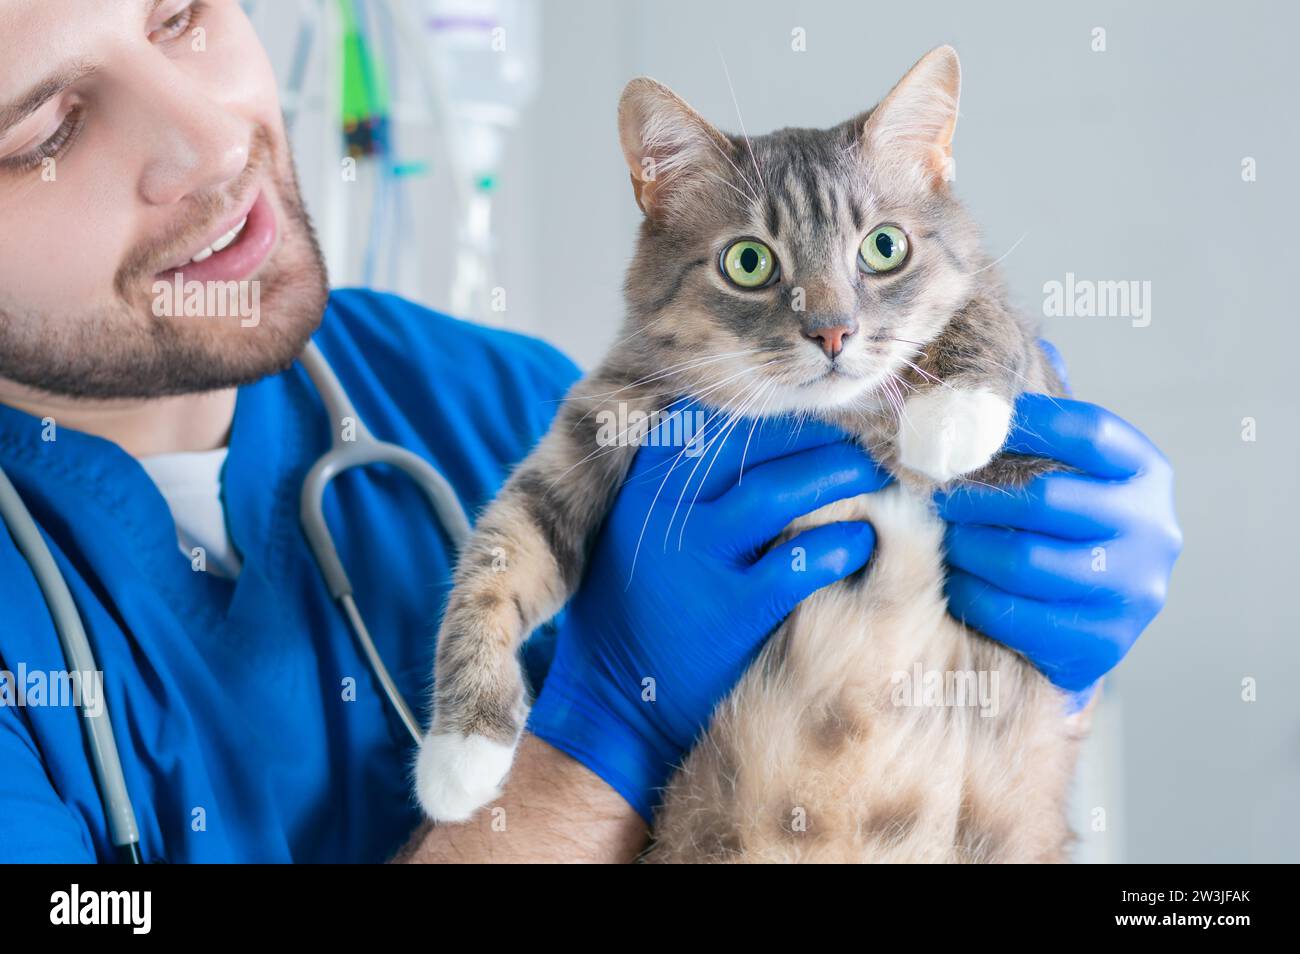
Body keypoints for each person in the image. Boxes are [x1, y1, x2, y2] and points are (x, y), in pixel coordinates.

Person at [0, 0, 1181, 863]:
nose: (207, 142)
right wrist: (603, 726)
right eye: (45, 131)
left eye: (180, 16)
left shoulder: (479, 392)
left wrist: (1038, 687)